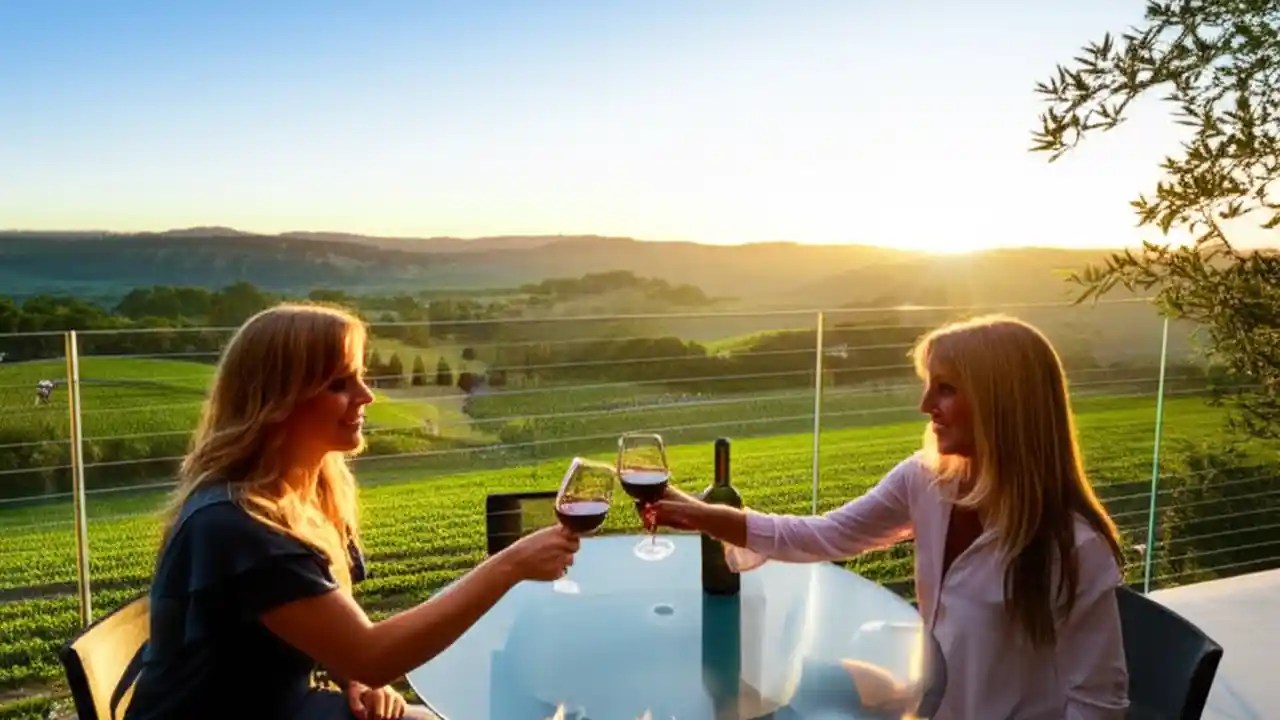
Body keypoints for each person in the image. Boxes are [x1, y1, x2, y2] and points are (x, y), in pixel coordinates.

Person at [653, 314, 1130, 719]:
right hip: (928, 706)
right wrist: (703, 516)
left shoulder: (1072, 545)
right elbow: (828, 535)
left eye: (945, 390)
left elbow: (1097, 704)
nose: (926, 406)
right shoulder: (925, 482)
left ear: (1000, 404)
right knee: (782, 692)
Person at [125, 303, 580, 720]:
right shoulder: (235, 524)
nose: (366, 396)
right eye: (339, 384)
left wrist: (352, 677)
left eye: (360, 377)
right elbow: (372, 653)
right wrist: (510, 565)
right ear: (278, 401)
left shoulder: (305, 493)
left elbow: (324, 633)